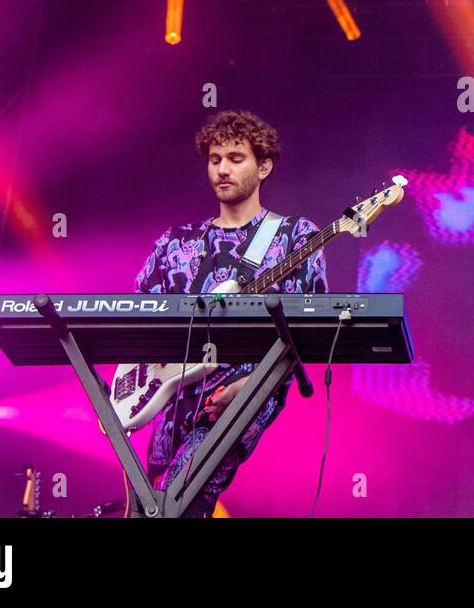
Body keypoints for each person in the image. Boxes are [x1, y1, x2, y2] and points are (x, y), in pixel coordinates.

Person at [134, 109, 328, 516]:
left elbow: (312, 328)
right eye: (215, 158)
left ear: (264, 167)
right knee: (149, 505)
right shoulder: (176, 243)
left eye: (236, 158)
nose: (222, 168)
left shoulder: (294, 237)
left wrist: (255, 387)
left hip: (241, 393)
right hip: (167, 400)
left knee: (181, 495)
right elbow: (137, 316)